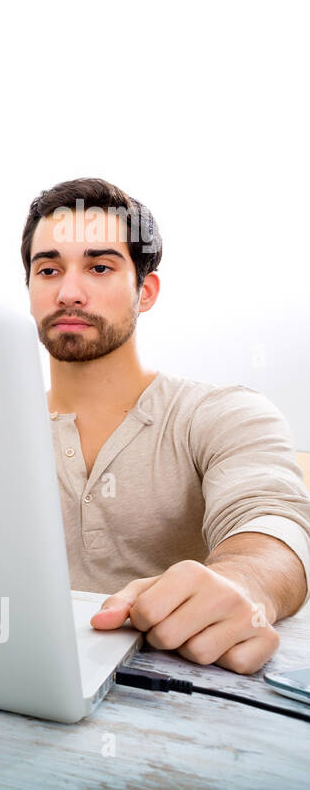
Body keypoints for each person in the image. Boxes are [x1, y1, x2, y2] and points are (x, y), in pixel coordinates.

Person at [22, 177, 310, 673]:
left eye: (99, 267)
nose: (69, 292)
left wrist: (245, 583)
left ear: (145, 290)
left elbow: (271, 523)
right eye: (48, 269)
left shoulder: (224, 414)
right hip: (18, 681)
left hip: (182, 691)